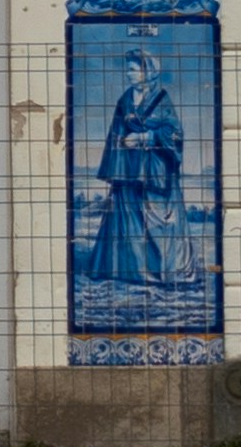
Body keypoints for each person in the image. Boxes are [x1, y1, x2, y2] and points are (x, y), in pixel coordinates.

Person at [76, 51, 187, 290]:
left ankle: (160, 272)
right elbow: (115, 134)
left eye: (133, 69)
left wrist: (145, 136)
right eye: (127, 69)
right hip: (128, 169)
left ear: (148, 72)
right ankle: (128, 271)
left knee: (156, 222)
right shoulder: (125, 100)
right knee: (126, 220)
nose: (128, 74)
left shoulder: (162, 98)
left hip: (155, 170)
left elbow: (175, 133)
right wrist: (117, 163)